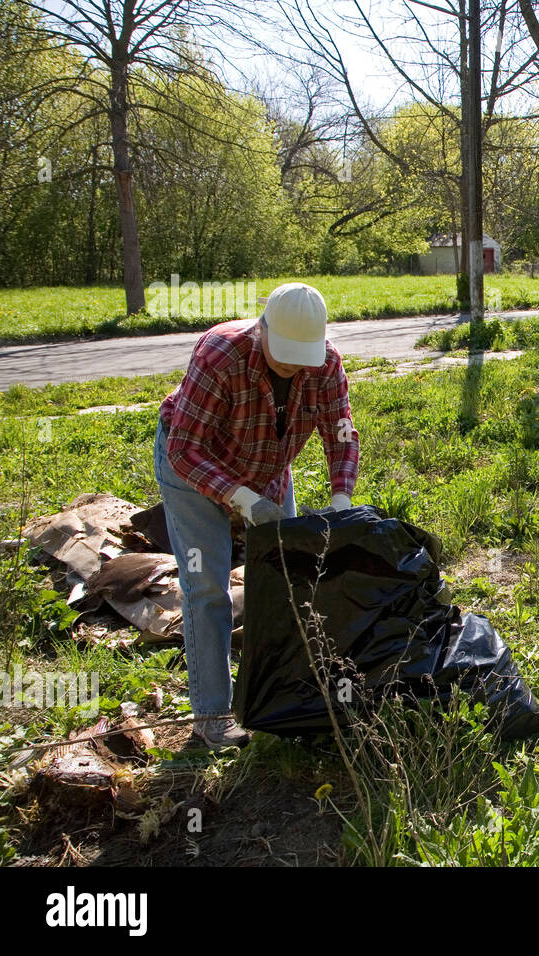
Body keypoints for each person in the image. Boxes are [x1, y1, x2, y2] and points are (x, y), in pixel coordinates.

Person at [153, 282, 360, 747]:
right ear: (261, 327)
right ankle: (211, 716)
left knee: (288, 579)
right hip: (194, 472)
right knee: (207, 587)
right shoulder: (220, 355)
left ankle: (282, 696)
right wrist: (243, 500)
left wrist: (340, 500)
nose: (291, 364)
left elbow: (342, 433)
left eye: (300, 355)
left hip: (266, 471)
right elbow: (185, 448)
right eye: (282, 352)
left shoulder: (325, 363)